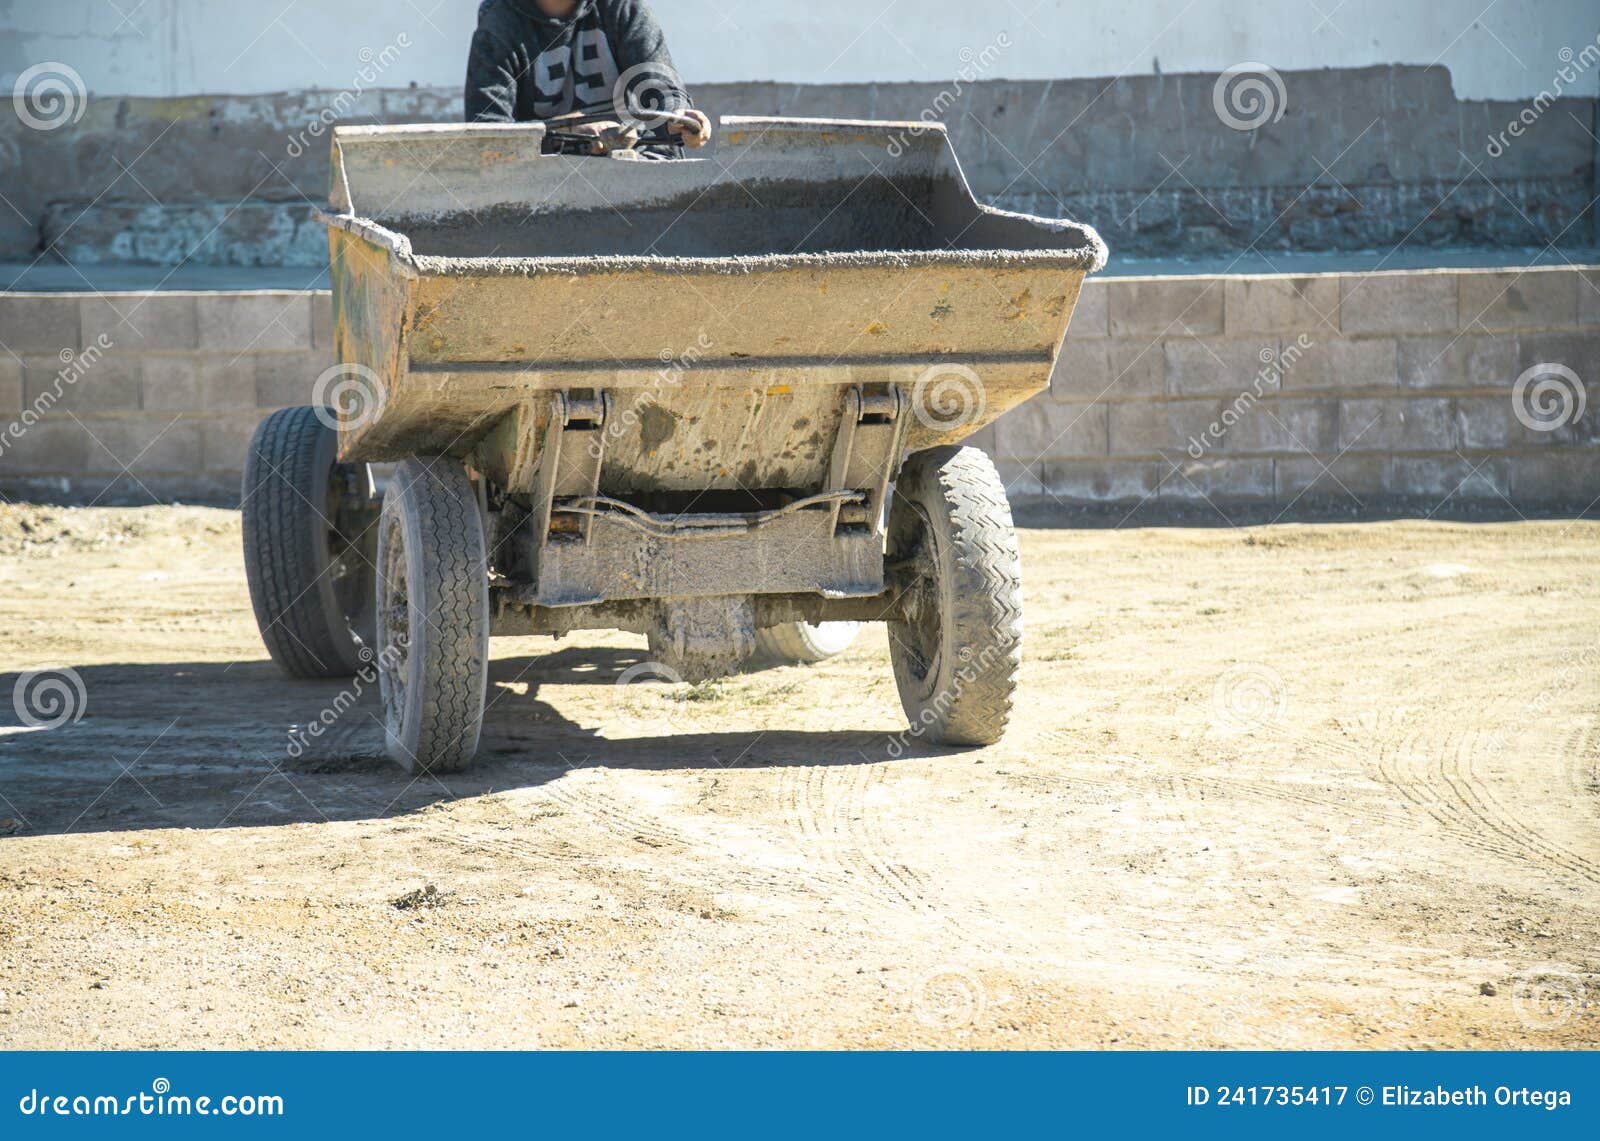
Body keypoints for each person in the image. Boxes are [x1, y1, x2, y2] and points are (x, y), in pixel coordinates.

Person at [465, 0, 712, 153]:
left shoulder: (623, 7)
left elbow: (659, 91)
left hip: (638, 166)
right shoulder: (497, 27)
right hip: (544, 183)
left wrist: (678, 118)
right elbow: (489, 138)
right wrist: (569, 134)